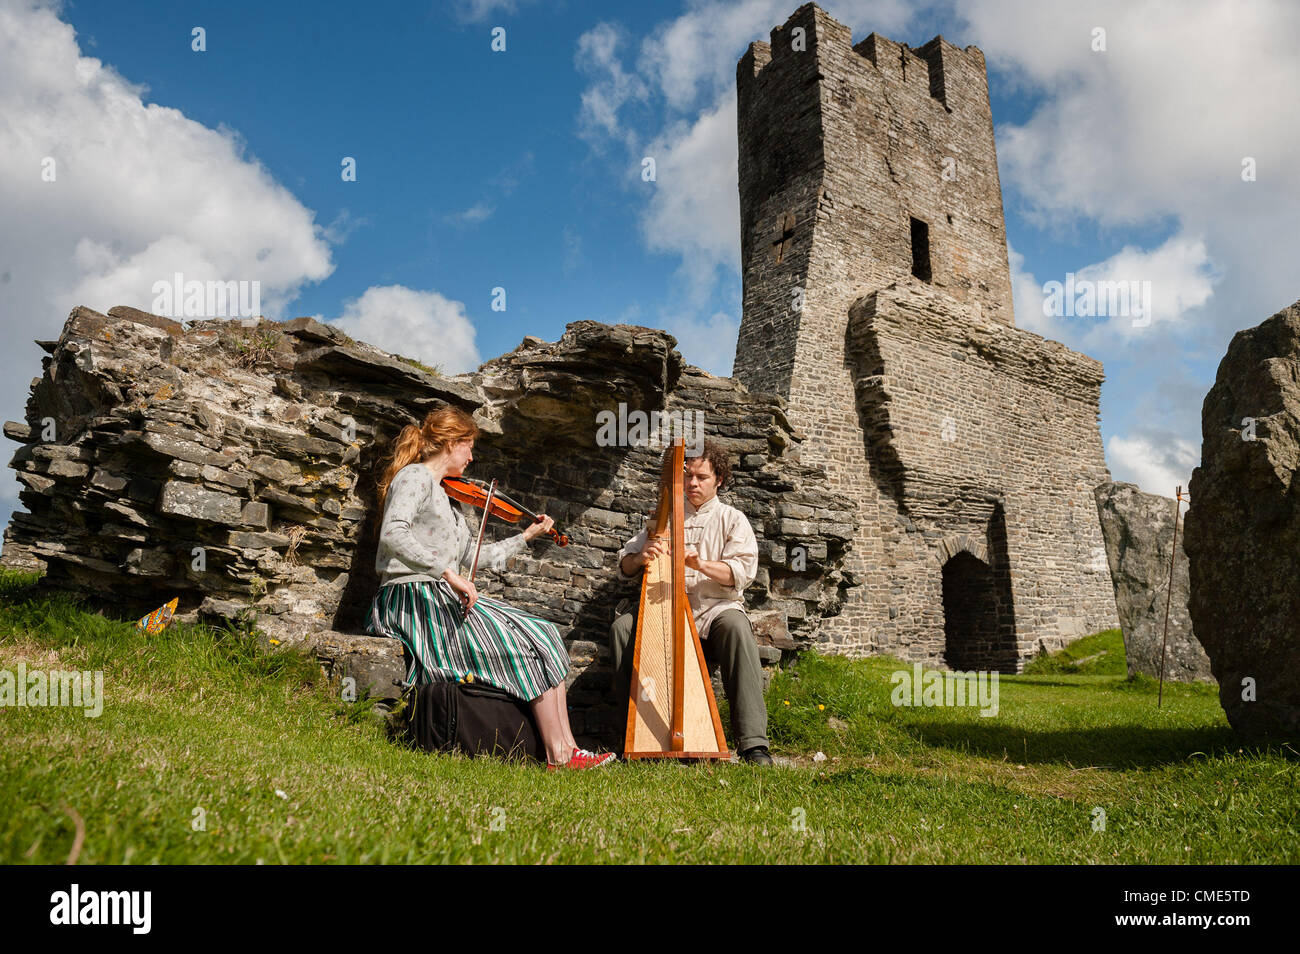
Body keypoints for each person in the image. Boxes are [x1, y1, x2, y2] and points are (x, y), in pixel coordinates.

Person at [366, 406, 615, 770]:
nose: (472, 455)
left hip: (438, 591)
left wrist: (526, 536)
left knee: (545, 632)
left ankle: (567, 749)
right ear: (451, 443)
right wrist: (448, 574)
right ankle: (558, 755)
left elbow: (474, 556)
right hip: (412, 596)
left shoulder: (453, 503)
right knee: (530, 643)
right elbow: (393, 533)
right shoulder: (415, 477)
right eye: (468, 446)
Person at [609, 440, 774, 764]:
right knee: (621, 629)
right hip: (666, 612)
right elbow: (623, 566)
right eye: (689, 477)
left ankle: (754, 743)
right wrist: (641, 557)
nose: (693, 483)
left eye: (702, 477)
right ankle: (627, 735)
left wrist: (699, 564)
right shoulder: (666, 516)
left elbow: (741, 572)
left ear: (719, 480)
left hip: (714, 611)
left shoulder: (732, 519)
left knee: (738, 627)